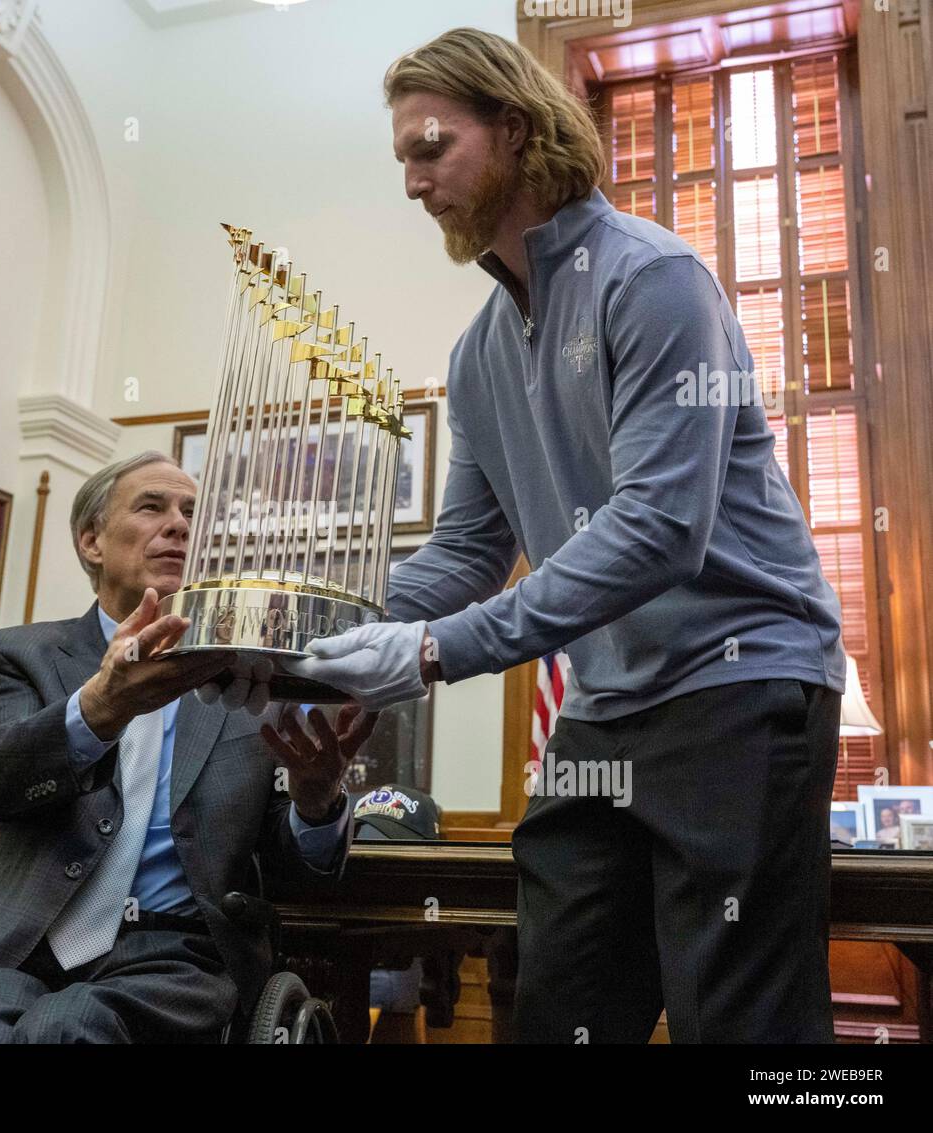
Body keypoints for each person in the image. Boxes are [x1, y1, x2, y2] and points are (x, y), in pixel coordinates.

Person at [286, 27, 845, 1044]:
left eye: (429, 149)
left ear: (515, 127)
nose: (411, 184)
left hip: (739, 691)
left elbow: (659, 528)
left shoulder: (653, 278)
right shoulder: (476, 353)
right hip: (603, 709)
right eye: (402, 160)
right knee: (559, 1007)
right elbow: (462, 553)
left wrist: (424, 650)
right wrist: (318, 641)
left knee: (743, 1021)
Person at [0, 451, 377, 1043]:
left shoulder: (258, 681)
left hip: (176, 955)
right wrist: (100, 708)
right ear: (91, 541)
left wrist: (317, 804)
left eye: (192, 515)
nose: (178, 524)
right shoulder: (13, 655)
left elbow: (289, 873)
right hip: (15, 945)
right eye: (152, 507)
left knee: (68, 1030)